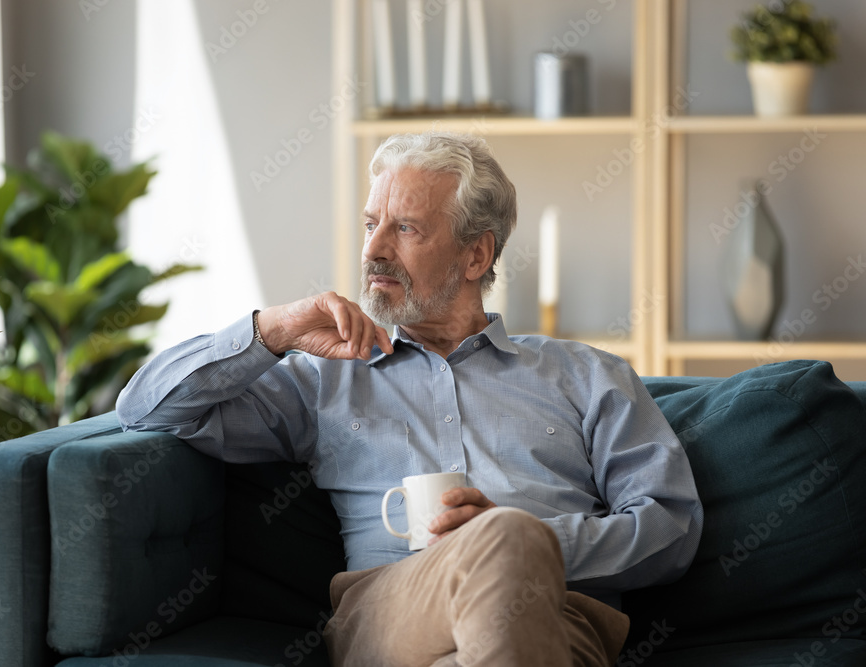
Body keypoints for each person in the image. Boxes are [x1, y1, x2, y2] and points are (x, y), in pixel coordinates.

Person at [116, 132, 703, 666]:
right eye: (371, 223)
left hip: (559, 617)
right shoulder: (327, 376)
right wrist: (273, 328)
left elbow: (670, 527)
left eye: (405, 228)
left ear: (476, 255)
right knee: (508, 541)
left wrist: (535, 547)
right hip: (390, 612)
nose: (374, 248)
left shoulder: (587, 375)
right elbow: (145, 407)